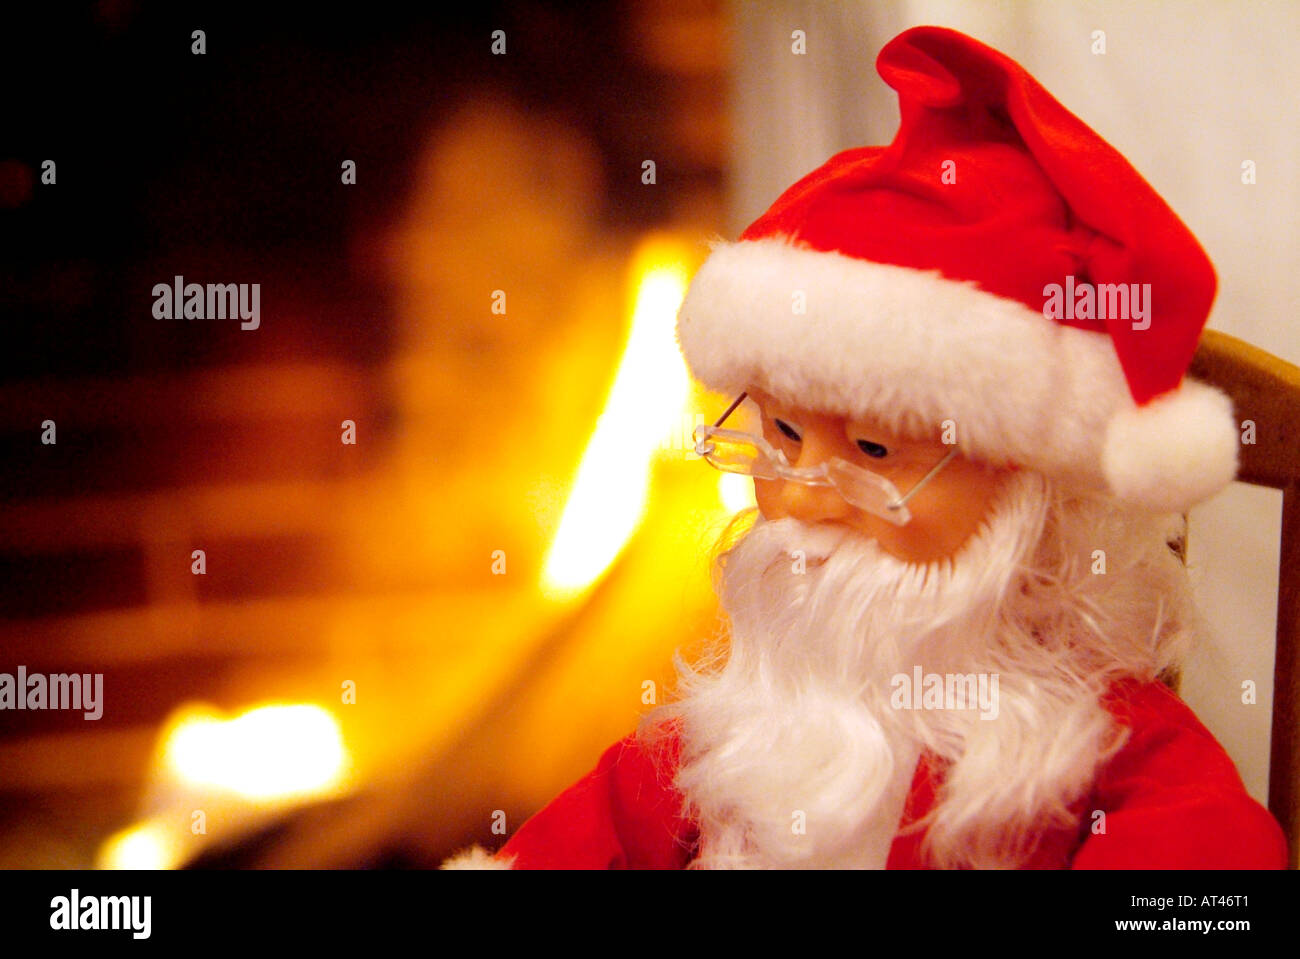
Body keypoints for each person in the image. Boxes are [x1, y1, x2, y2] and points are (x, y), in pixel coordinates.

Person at [443, 25, 1287, 869]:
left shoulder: (1107, 754)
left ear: (1034, 496)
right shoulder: (735, 731)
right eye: (779, 432)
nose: (802, 496)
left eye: (876, 450)